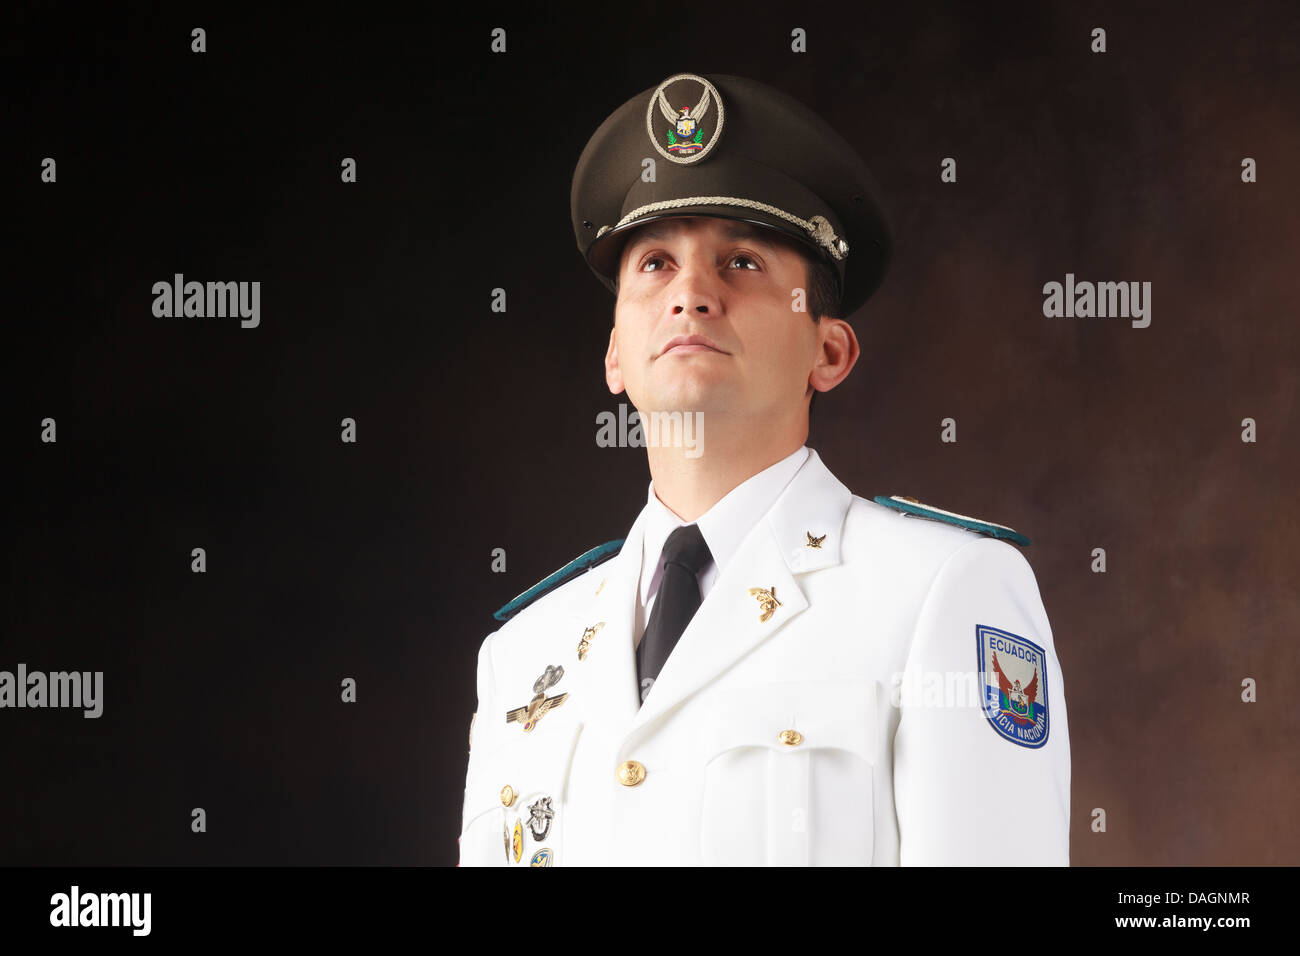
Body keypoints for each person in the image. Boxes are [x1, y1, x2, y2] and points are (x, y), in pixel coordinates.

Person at [458, 72, 1070, 866]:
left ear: (829, 350)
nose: (690, 295)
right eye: (653, 265)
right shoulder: (523, 655)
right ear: (614, 353)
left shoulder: (944, 590)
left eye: (741, 262)